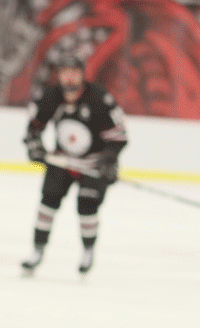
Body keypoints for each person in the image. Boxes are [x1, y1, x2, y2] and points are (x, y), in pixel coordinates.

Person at [21, 54, 128, 275]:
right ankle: (37, 250)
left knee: (87, 208)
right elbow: (33, 127)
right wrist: (35, 147)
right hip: (61, 161)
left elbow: (118, 137)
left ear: (82, 74)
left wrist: (109, 159)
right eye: (64, 72)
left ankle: (88, 250)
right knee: (47, 204)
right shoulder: (51, 96)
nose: (69, 77)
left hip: (92, 164)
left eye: (74, 72)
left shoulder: (100, 99)